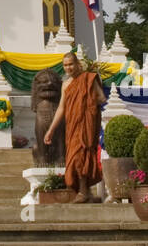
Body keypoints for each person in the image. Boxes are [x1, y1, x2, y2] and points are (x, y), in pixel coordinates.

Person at [43, 52, 106, 203]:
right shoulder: (65, 84)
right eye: (65, 65)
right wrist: (51, 130)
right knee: (72, 158)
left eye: (71, 64)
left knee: (80, 157)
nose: (68, 67)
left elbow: (101, 98)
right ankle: (86, 193)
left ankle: (83, 192)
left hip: (85, 123)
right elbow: (61, 108)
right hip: (72, 125)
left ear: (77, 63)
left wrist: (86, 102)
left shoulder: (89, 79)